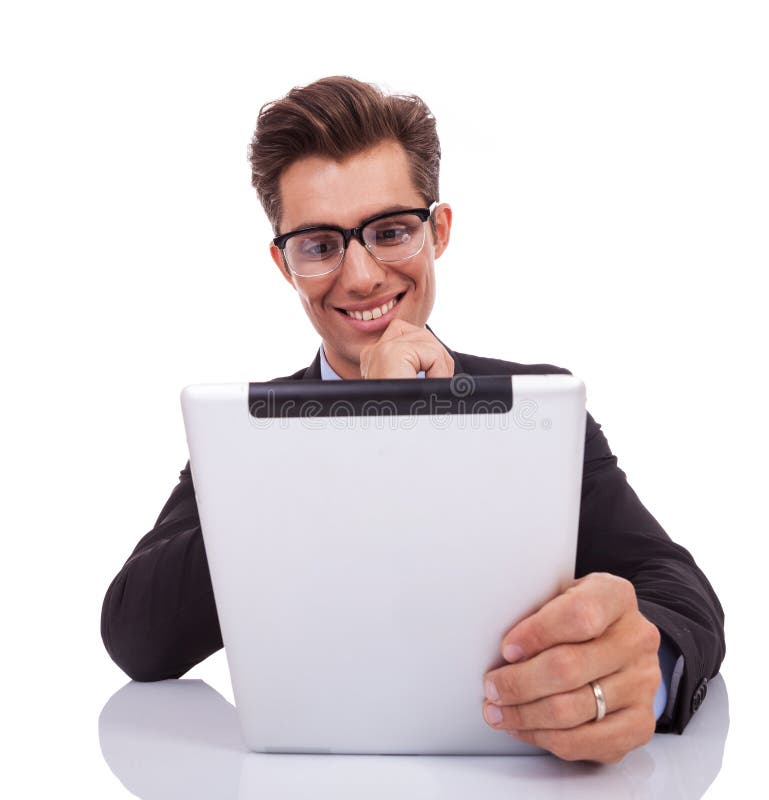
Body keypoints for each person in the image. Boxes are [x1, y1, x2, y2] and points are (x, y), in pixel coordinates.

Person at [101, 76, 725, 764]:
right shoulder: (251, 436)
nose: (362, 275)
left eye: (391, 231)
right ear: (285, 265)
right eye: (319, 245)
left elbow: (681, 595)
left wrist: (641, 676)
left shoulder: (534, 411)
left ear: (439, 233)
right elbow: (138, 636)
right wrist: (357, 429)